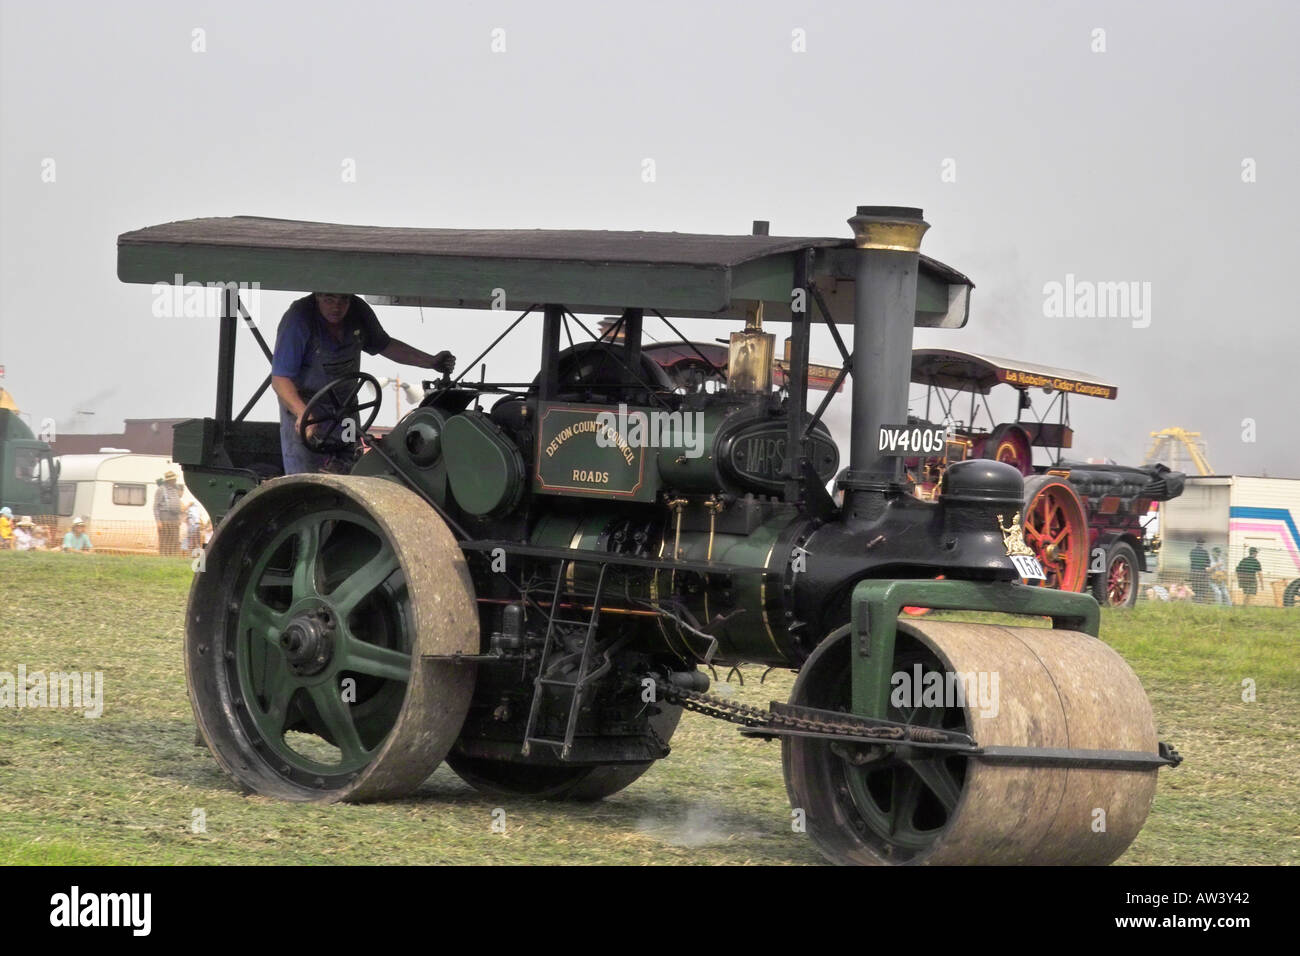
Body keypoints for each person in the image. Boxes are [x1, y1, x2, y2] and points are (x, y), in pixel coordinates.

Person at [270, 292, 455, 475]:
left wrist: (431, 361)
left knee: (350, 466)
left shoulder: (359, 311)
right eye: (329, 299)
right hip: (307, 414)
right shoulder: (298, 319)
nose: (337, 306)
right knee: (305, 479)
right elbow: (280, 379)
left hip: (346, 412)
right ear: (317, 296)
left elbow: (385, 345)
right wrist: (303, 413)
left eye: (344, 299)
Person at [154, 470, 184, 556]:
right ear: (168, 480)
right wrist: (158, 521)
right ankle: (164, 557)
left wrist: (179, 518)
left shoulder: (176, 489)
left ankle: (173, 557)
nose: (175, 481)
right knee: (165, 540)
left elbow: (178, 504)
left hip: (175, 520)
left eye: (175, 479)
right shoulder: (161, 490)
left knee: (174, 540)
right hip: (165, 520)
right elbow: (156, 506)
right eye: (173, 479)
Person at [1188, 537, 1211, 603]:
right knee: (1201, 586)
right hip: (1202, 572)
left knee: (1195, 585)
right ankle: (1200, 600)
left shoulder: (1192, 551)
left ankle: (1195, 600)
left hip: (1193, 571)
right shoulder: (1205, 552)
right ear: (1203, 544)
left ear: (1196, 543)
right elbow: (1208, 562)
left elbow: (1191, 561)